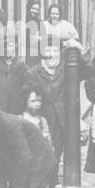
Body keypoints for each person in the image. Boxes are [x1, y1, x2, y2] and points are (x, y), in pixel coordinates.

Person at [28, 43, 67, 177]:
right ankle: (45, 176)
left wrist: (77, 49)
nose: (51, 54)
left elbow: (87, 70)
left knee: (59, 147)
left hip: (62, 117)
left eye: (55, 50)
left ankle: (53, 175)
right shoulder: (34, 72)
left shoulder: (65, 68)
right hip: (44, 116)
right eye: (47, 49)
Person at [0, 32, 32, 113]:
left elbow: (27, 94)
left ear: (16, 45)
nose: (7, 49)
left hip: (15, 114)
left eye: (10, 45)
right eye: (3, 45)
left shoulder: (22, 68)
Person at [25, 0, 43, 65]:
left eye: (37, 9)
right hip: (26, 51)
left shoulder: (40, 22)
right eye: (33, 8)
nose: (35, 11)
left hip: (37, 53)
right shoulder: (24, 20)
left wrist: (39, 38)